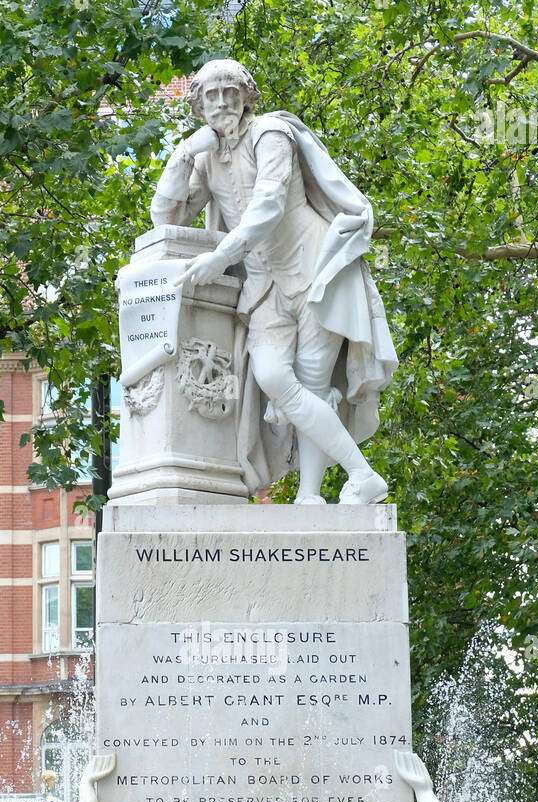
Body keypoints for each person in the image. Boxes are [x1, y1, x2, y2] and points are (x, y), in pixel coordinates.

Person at [151, 59, 398, 505]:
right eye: (211, 95)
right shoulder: (205, 156)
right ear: (199, 105)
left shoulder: (270, 133)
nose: (222, 102)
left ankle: (310, 497)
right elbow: (166, 218)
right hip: (263, 284)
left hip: (314, 270)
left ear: (247, 97)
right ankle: (362, 474)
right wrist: (184, 153)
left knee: (313, 383)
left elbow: (269, 203)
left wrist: (221, 257)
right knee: (272, 376)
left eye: (231, 92)